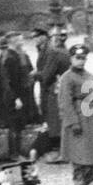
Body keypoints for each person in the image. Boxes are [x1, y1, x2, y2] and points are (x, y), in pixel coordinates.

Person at [56, 44, 93, 185]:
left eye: (83, 58)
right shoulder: (67, 78)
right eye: (77, 58)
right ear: (71, 59)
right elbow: (65, 101)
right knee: (79, 152)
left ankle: (91, 179)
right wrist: (73, 122)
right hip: (79, 118)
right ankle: (79, 180)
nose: (81, 61)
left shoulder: (89, 75)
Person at [0, 33, 38, 152]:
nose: (22, 41)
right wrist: (16, 98)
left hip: (16, 95)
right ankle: (14, 152)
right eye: (20, 40)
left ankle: (16, 151)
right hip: (13, 96)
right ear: (13, 42)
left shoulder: (13, 56)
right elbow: (9, 81)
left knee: (17, 124)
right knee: (14, 125)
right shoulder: (11, 58)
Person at [34, 28, 71, 161]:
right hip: (67, 89)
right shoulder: (66, 51)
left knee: (58, 123)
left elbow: (47, 75)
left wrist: (36, 75)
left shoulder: (54, 53)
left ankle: (63, 153)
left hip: (56, 92)